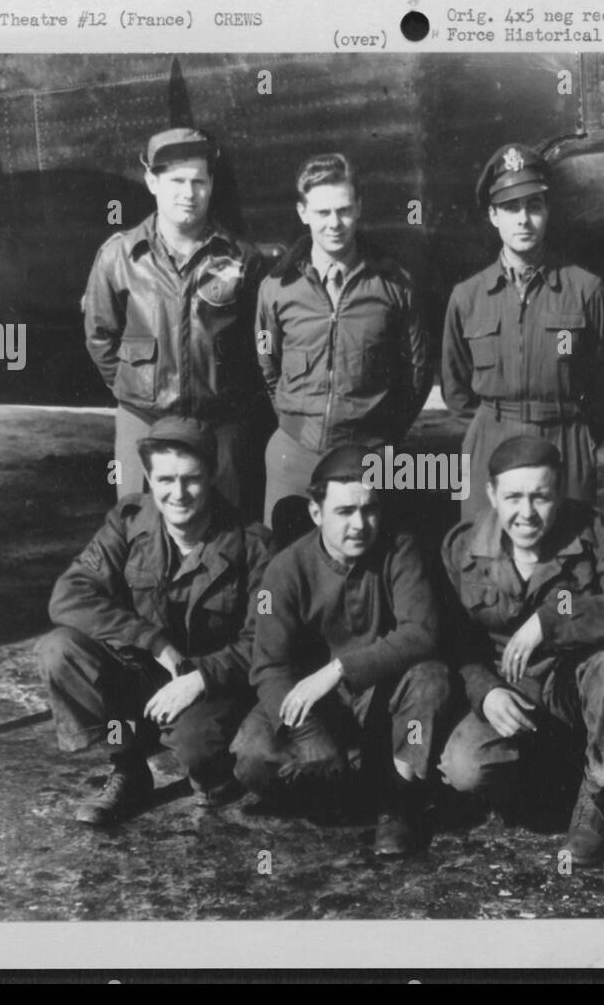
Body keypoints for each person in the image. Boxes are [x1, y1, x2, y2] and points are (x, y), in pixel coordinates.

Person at [35, 417, 274, 825]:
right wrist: (152, 641)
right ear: (148, 477)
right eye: (165, 479)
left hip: (213, 683)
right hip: (146, 672)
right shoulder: (128, 522)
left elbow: (265, 640)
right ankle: (129, 767)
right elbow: (69, 595)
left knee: (202, 758)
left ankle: (212, 771)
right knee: (59, 650)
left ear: (212, 475)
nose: (177, 493)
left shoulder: (253, 544)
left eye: (191, 479)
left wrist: (199, 679)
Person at [438, 436, 604, 865]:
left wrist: (552, 619)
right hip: (508, 688)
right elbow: (453, 639)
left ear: (558, 493)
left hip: (575, 681)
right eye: (513, 497)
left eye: (541, 497)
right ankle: (547, 776)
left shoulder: (594, 529)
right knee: (465, 768)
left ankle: (601, 791)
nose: (526, 513)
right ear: (491, 495)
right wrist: (486, 692)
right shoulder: (462, 547)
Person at [230, 444, 453, 856]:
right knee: (252, 760)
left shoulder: (399, 549)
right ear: (317, 514)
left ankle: (397, 801)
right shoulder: (285, 569)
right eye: (344, 512)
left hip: (381, 693)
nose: (360, 524)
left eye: (369, 509)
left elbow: (422, 632)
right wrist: (310, 733)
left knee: (430, 677)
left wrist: (337, 670)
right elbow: (268, 667)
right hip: (311, 699)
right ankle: (349, 782)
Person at [83, 127, 271, 519]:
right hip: (146, 420)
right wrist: (136, 389)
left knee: (228, 535)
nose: (188, 193)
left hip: (222, 423)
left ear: (211, 184)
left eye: (198, 181)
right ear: (152, 181)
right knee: (139, 528)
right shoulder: (119, 256)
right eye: (176, 181)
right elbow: (101, 336)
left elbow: (262, 342)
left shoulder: (242, 259)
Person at [441, 143, 604, 521]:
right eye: (511, 208)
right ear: (493, 215)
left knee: (569, 556)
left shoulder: (585, 289)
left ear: (547, 212)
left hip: (565, 441)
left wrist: (578, 435)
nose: (523, 220)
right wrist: (495, 424)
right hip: (492, 440)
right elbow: (455, 388)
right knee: (487, 555)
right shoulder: (468, 296)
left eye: (534, 206)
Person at [257, 153, 434, 526]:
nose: (334, 224)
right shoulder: (276, 287)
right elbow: (267, 360)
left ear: (359, 208)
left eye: (344, 210)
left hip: (368, 454)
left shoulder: (396, 285)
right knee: (287, 560)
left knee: (369, 557)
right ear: (303, 212)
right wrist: (294, 419)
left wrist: (383, 435)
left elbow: (417, 370)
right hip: (295, 452)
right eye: (322, 213)